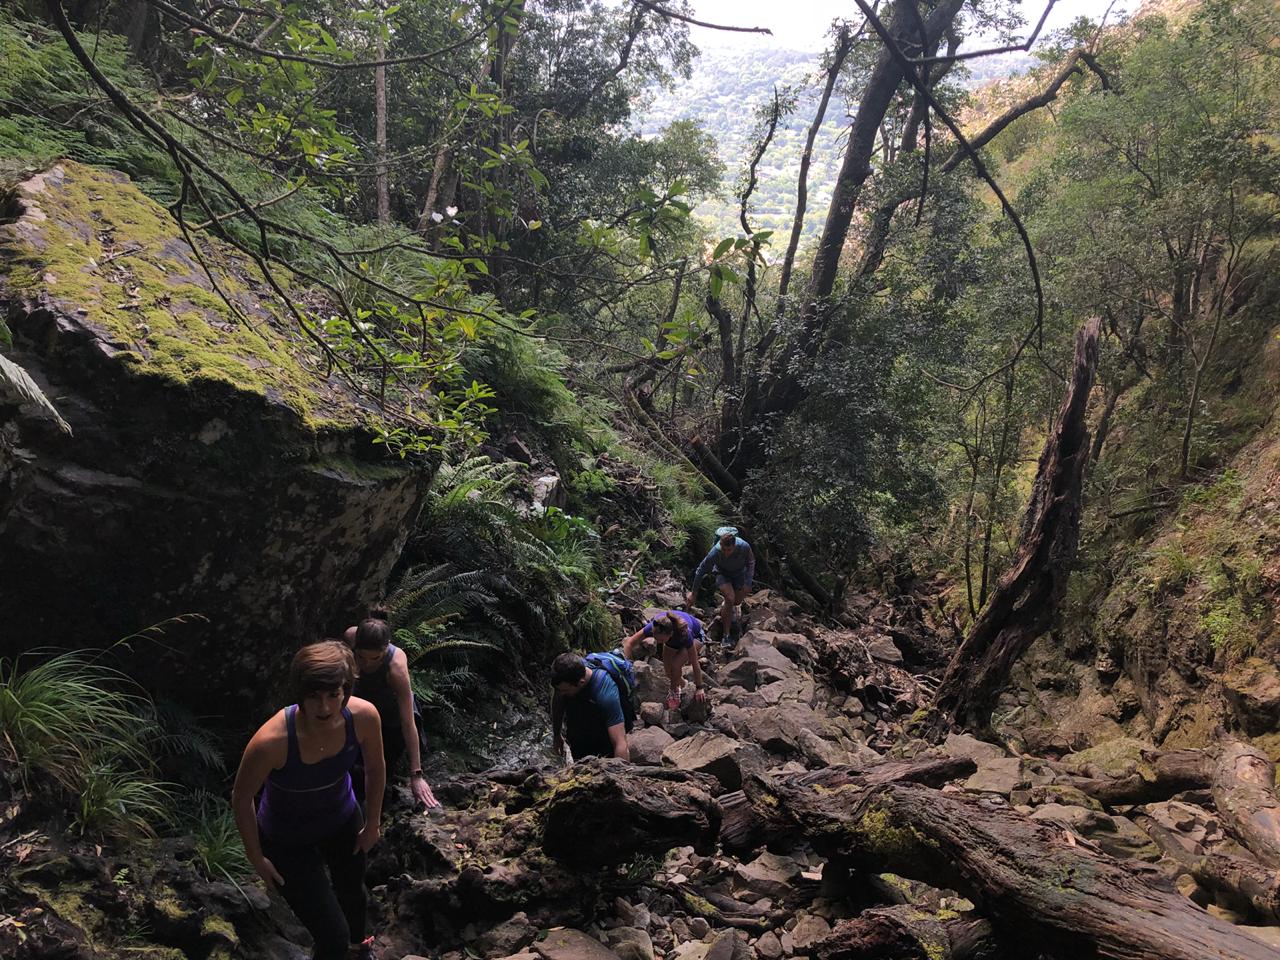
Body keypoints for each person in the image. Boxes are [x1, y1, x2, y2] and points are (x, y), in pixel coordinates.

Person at [232, 641, 385, 960]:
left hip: (342, 818)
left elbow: (374, 766)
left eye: (333, 695)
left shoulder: (364, 717)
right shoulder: (272, 741)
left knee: (354, 896)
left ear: (346, 689)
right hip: (287, 839)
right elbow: (242, 796)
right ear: (300, 693)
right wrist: (257, 858)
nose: (325, 707)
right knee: (332, 936)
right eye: (314, 696)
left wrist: (373, 822)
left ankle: (360, 950)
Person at [347, 614, 439, 809]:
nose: (367, 664)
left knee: (378, 768)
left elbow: (407, 721)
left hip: (392, 718)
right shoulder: (350, 636)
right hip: (362, 709)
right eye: (361, 657)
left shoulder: (395, 668)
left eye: (375, 658)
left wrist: (416, 775)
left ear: (385, 648)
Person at [550, 651, 633, 762]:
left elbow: (620, 742)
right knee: (578, 751)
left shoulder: (606, 692)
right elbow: (558, 705)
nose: (560, 694)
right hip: (581, 719)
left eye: (564, 690)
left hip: (605, 726)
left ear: (581, 682)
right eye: (558, 690)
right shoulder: (564, 677)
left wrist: (621, 775)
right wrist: (557, 735)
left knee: (604, 756)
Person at [623, 610, 706, 710]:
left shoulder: (685, 634)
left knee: (675, 665)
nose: (658, 642)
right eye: (656, 639)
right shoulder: (655, 627)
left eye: (661, 641)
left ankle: (674, 690)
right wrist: (625, 666)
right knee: (668, 672)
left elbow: (694, 661)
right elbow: (629, 642)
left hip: (696, 637)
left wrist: (699, 687)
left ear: (670, 634)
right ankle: (684, 684)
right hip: (671, 640)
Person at [687, 526, 755, 644]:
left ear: (734, 546)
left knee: (736, 602)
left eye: (728, 550)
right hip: (722, 573)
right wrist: (694, 593)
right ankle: (726, 635)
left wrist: (748, 582)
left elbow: (751, 561)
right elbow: (701, 570)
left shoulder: (744, 546)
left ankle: (725, 609)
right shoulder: (715, 551)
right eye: (723, 549)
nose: (725, 553)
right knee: (730, 598)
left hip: (739, 573)